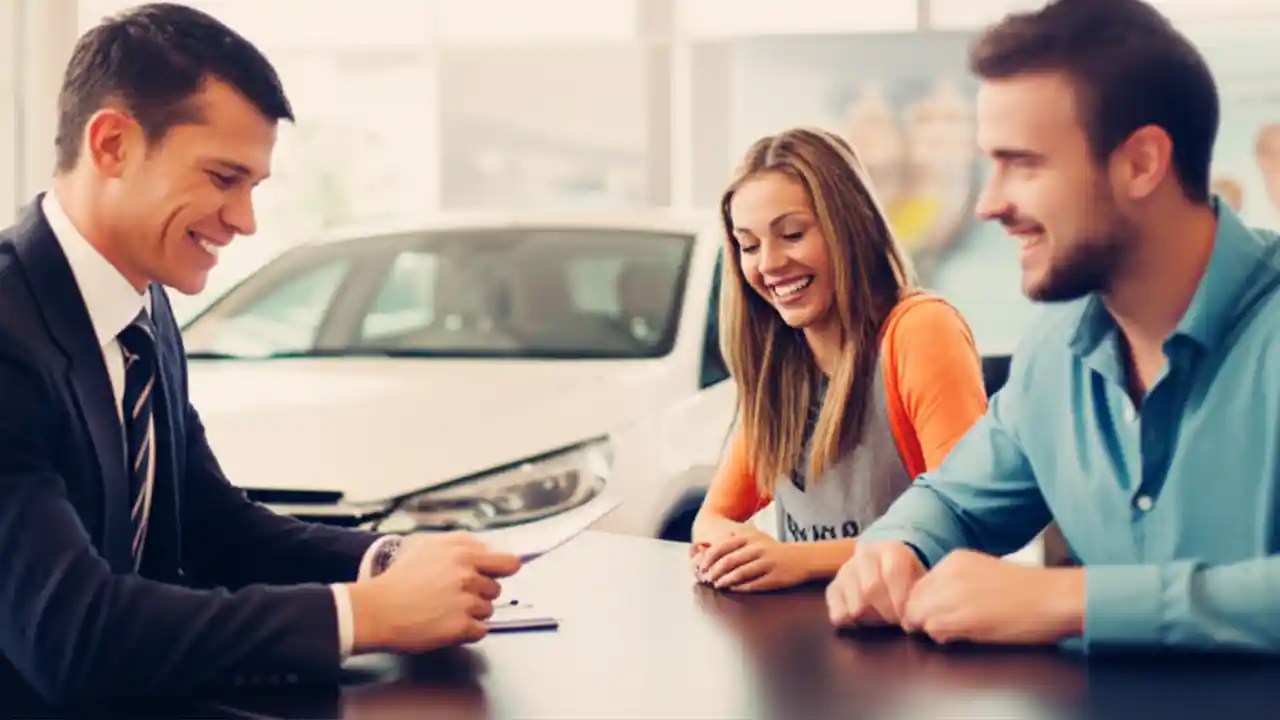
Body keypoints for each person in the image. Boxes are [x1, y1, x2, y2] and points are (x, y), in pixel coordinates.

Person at [0, 3, 520, 706]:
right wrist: (365, 615)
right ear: (113, 145)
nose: (245, 221)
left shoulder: (140, 304)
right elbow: (73, 634)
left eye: (253, 186)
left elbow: (210, 526)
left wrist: (388, 560)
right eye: (223, 178)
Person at [826, 0, 1280, 653]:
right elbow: (954, 502)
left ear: (1142, 163)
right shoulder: (1057, 346)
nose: (988, 204)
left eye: (1023, 164)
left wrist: (1075, 600)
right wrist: (895, 548)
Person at [690, 127, 988, 592]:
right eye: (748, 246)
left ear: (849, 227)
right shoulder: (781, 365)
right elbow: (712, 518)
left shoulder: (921, 330)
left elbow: (970, 526)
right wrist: (739, 549)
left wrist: (800, 560)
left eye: (791, 234)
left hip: (914, 640)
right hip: (814, 639)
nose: (768, 263)